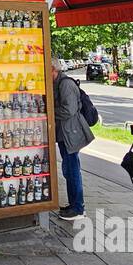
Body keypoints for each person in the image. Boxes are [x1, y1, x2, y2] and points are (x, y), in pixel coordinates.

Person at [51, 59, 93, 220]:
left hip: (71, 132)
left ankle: (77, 208)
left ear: (53, 69)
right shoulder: (59, 82)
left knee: (72, 169)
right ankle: (74, 203)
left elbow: (69, 110)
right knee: (69, 168)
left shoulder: (65, 84)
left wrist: (49, 110)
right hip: (66, 132)